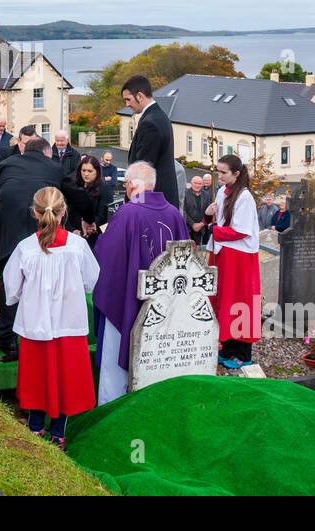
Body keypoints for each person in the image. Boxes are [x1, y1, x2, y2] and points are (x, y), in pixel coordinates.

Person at [2, 186, 100, 450]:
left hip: (37, 324)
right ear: (64, 211)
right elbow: (91, 280)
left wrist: (29, 295)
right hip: (68, 323)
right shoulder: (78, 246)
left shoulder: (25, 248)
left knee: (37, 378)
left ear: (36, 213)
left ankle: (35, 428)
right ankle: (58, 434)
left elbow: (11, 287)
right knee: (66, 378)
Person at [92, 161, 189, 403]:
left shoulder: (127, 212)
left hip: (126, 299)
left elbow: (106, 256)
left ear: (131, 185)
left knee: (116, 359)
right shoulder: (174, 214)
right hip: (163, 304)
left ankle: (112, 406)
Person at [0, 137, 70, 356]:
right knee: (43, 278)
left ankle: (7, 338)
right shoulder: (54, 167)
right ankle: (43, 334)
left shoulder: (6, 164)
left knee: (8, 279)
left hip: (8, 227)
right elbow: (69, 195)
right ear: (46, 152)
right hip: (40, 226)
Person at [206, 154, 262, 368]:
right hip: (223, 253)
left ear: (236, 174)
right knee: (223, 299)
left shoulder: (245, 197)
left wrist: (215, 230)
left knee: (239, 301)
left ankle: (241, 352)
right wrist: (208, 214)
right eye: (217, 171)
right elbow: (217, 220)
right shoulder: (222, 192)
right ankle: (226, 346)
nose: (218, 176)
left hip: (239, 256)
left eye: (223, 172)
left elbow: (241, 230)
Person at [122, 74, 178, 208]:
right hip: (162, 199)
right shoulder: (159, 116)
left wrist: (129, 199)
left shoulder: (150, 124)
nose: (127, 104)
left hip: (153, 202)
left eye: (128, 99)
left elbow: (142, 168)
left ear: (140, 96)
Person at [66, 154, 107, 248]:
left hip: (93, 235)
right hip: (72, 234)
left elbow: (103, 215)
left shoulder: (104, 188)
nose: (86, 174)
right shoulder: (73, 185)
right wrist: (72, 230)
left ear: (97, 172)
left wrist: (88, 228)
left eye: (90, 171)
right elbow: (66, 210)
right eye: (83, 170)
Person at [183, 175, 211, 245]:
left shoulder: (206, 195)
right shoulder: (185, 194)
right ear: (191, 183)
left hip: (200, 229)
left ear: (202, 185)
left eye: (199, 184)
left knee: (198, 249)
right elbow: (183, 211)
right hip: (187, 227)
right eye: (195, 183)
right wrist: (192, 224)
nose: (197, 185)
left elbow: (207, 212)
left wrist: (201, 223)